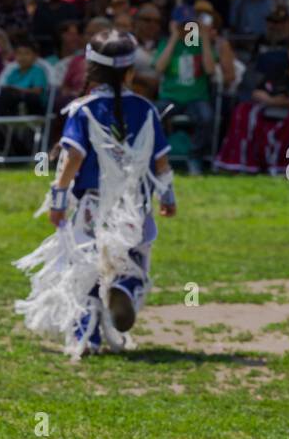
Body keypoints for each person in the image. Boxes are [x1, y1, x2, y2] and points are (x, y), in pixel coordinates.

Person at [15, 29, 174, 359]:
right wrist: (168, 196)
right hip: (135, 206)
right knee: (132, 262)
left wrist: (58, 198)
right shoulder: (146, 110)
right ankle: (123, 289)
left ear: (91, 70)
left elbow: (72, 158)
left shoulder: (83, 111)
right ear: (130, 72)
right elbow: (161, 161)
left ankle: (86, 338)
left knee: (83, 268)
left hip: (91, 206)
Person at [216, 31, 289, 174]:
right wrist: (269, 100)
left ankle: (288, 165)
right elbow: (258, 91)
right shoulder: (281, 67)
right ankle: (243, 162)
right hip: (273, 105)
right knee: (243, 111)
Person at [155, 3, 219, 171]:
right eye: (182, 25)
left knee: (206, 117)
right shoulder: (166, 43)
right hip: (171, 97)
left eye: (190, 25)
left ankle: (195, 155)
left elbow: (211, 69)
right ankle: (161, 156)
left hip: (196, 98)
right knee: (154, 115)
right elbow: (159, 68)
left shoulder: (199, 43)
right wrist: (174, 37)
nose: (186, 29)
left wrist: (204, 37)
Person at [0, 35, 50, 115]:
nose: (22, 57)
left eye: (27, 53)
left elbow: (37, 91)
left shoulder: (38, 71)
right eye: (19, 53)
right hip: (14, 102)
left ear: (35, 56)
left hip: (32, 105)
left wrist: (19, 91)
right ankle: (2, 125)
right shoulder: (13, 72)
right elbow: (7, 88)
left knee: (31, 98)